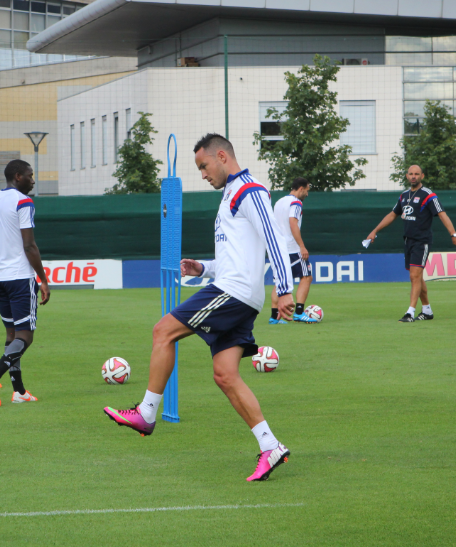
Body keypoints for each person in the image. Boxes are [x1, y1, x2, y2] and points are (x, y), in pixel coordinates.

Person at [103, 133, 296, 482]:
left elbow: (273, 239)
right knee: (225, 375)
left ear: (222, 156)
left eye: (204, 166)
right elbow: (239, 255)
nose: (203, 174)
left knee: (162, 331)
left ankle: (146, 414)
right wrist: (203, 269)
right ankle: (271, 446)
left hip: (233, 293)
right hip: (234, 290)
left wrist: (285, 289)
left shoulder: (248, 190)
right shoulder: (231, 196)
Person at [0, 159, 50, 406]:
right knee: (25, 337)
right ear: (18, 176)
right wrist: (43, 279)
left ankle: (18, 391)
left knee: (11, 335)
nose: (33, 179)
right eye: (31, 175)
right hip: (20, 277)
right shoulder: (24, 202)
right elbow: (29, 245)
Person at [366, 164, 456, 322]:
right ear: (407, 176)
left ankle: (410, 312)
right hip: (408, 241)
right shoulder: (404, 196)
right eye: (411, 174)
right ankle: (427, 310)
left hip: (422, 241)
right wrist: (375, 230)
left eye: (417, 174)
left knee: (414, 275)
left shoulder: (428, 195)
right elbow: (392, 215)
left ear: (422, 176)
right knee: (417, 277)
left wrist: (453, 234)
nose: (413, 176)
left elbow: (442, 214)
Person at [270, 177, 316, 324]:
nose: (307, 194)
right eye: (307, 190)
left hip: (278, 247)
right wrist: (301, 246)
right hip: (291, 247)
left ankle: (274, 317)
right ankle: (299, 313)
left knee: (279, 281)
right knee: (307, 276)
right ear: (301, 188)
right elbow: (293, 223)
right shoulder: (296, 203)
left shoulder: (278, 202)